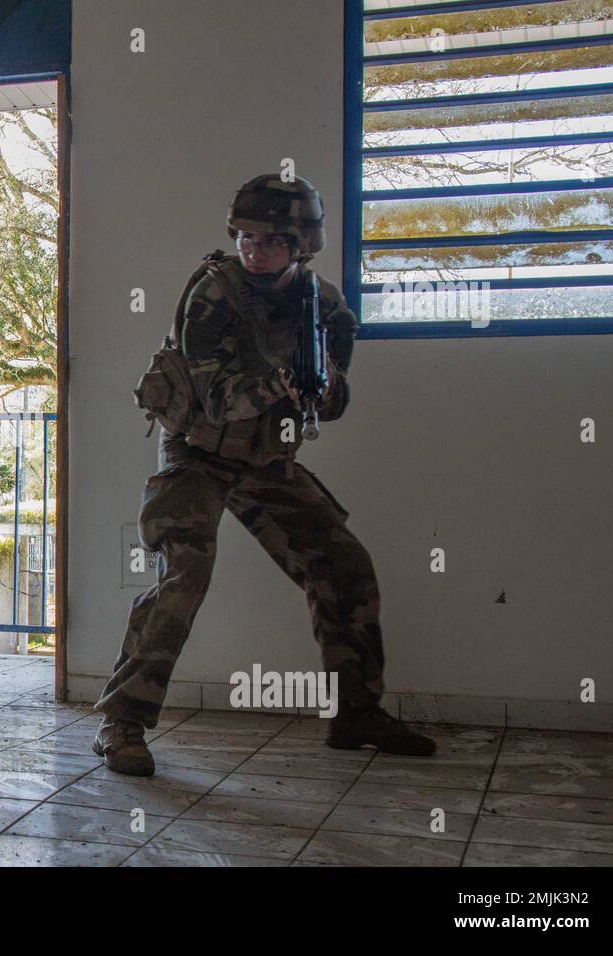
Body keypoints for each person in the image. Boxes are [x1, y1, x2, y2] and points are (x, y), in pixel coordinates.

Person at [92, 173, 436, 776]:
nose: (254, 249)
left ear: (301, 244)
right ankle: (122, 722)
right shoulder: (212, 293)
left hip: (266, 459)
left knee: (343, 565)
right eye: (246, 236)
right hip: (196, 451)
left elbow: (332, 403)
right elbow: (217, 399)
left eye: (270, 240)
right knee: (185, 576)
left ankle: (356, 712)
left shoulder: (325, 306)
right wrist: (279, 380)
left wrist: (324, 388)